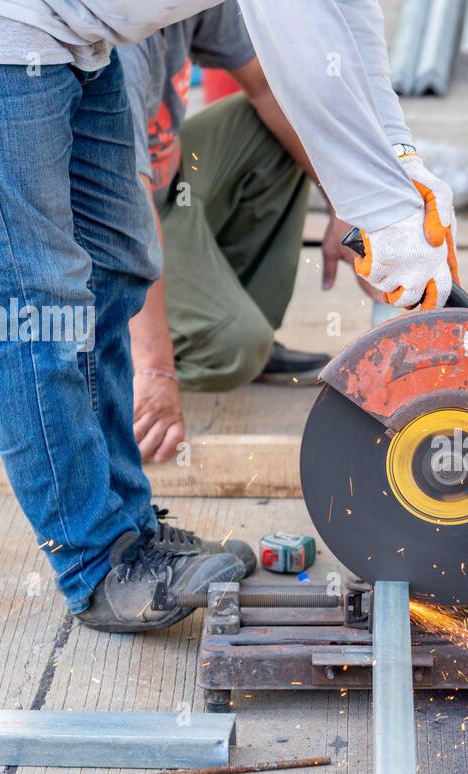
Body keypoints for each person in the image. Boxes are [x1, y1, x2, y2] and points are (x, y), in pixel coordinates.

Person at [0, 0, 459, 632]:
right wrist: (373, 198)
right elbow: (300, 37)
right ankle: (95, 563)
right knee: (36, 305)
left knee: (118, 264)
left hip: (76, 36)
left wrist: (399, 164)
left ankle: (130, 531)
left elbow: (347, 21)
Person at [117, 4, 379, 463]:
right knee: (234, 348)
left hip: (169, 179)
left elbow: (265, 85)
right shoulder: (122, 36)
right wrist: (155, 372)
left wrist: (349, 208)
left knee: (289, 114)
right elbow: (128, 202)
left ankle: (231, 323)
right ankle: (125, 357)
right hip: (108, 223)